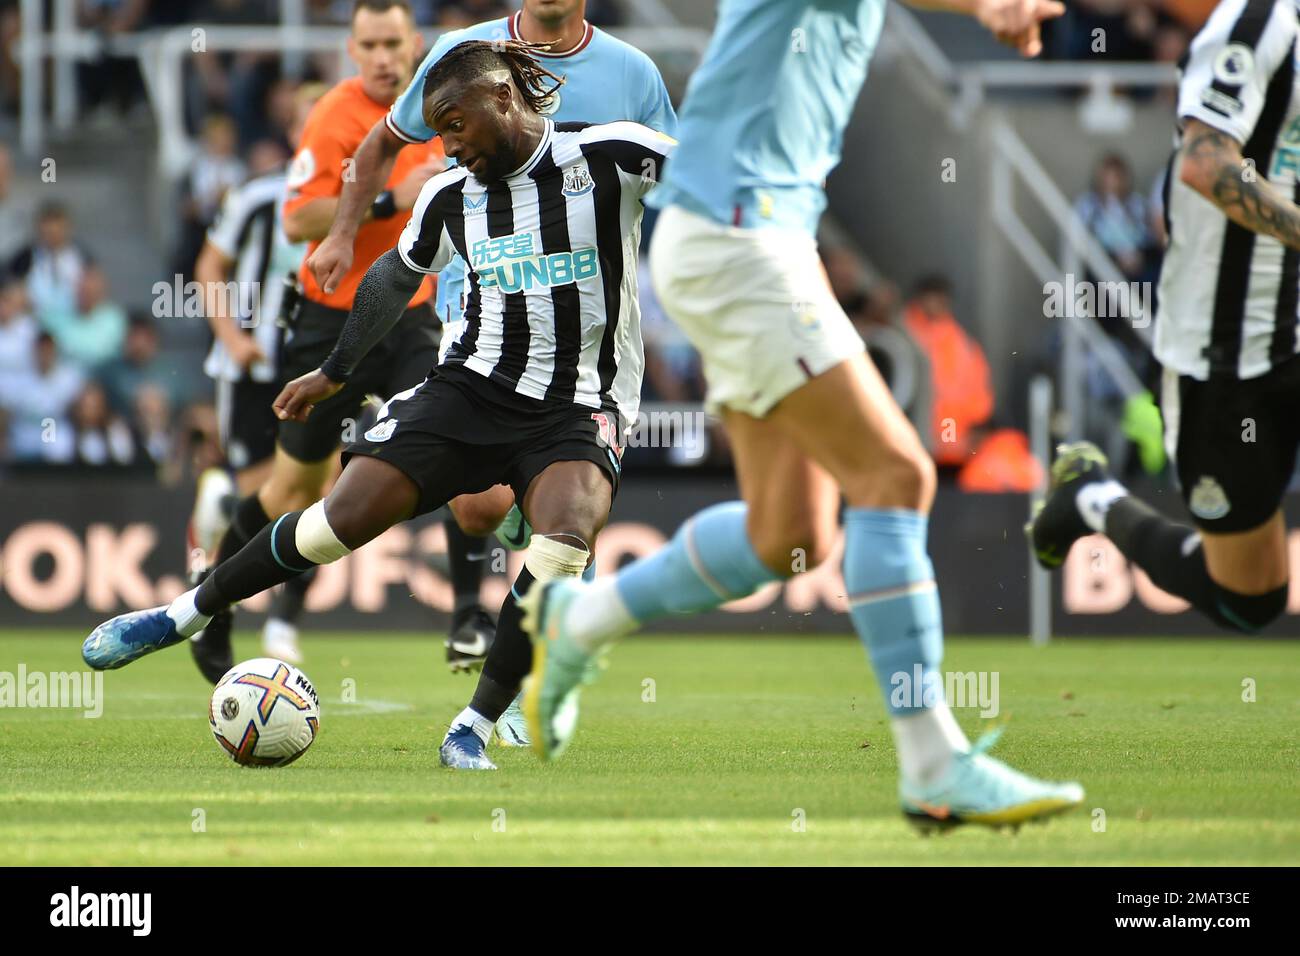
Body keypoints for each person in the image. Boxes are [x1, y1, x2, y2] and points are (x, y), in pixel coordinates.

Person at [518, 0, 1084, 831]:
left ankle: (578, 621)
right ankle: (934, 763)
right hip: (739, 239)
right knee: (895, 475)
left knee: (788, 538)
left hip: (758, 240)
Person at [82, 40, 673, 781]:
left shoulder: (616, 156)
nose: (448, 146)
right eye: (438, 132)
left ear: (501, 99)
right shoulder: (450, 195)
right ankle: (183, 616)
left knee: (565, 540)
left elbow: (710, 177)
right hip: (470, 390)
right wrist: (334, 371)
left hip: (580, 405)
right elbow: (394, 278)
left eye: (455, 125)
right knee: (339, 522)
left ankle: (472, 727)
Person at [306, 0, 675, 739]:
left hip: (587, 333)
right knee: (479, 508)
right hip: (476, 312)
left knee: (564, 521)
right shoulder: (462, 54)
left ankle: (541, 670)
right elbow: (384, 141)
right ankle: (509, 619)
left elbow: (678, 179)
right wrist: (345, 233)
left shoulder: (632, 74)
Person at [184, 0, 445, 683]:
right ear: (353, 51)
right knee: (291, 489)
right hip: (327, 322)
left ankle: (472, 602)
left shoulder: (443, 107)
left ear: (415, 44)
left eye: (395, 42)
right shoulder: (336, 113)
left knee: (447, 421)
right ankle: (214, 600)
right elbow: (299, 219)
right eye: (372, 44)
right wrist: (392, 198)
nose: (385, 57)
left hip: (410, 312)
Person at [1030, 0, 1300, 636]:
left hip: (1293, 328)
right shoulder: (1256, 23)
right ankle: (1092, 497)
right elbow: (1206, 165)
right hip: (1219, 353)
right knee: (1247, 598)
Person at [184, 84, 325, 665]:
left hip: (324, 371)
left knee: (325, 499)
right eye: (310, 122)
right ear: (294, 132)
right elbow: (208, 266)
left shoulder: (362, 199)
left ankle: (281, 624)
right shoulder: (258, 197)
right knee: (269, 497)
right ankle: (217, 611)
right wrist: (232, 337)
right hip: (256, 371)